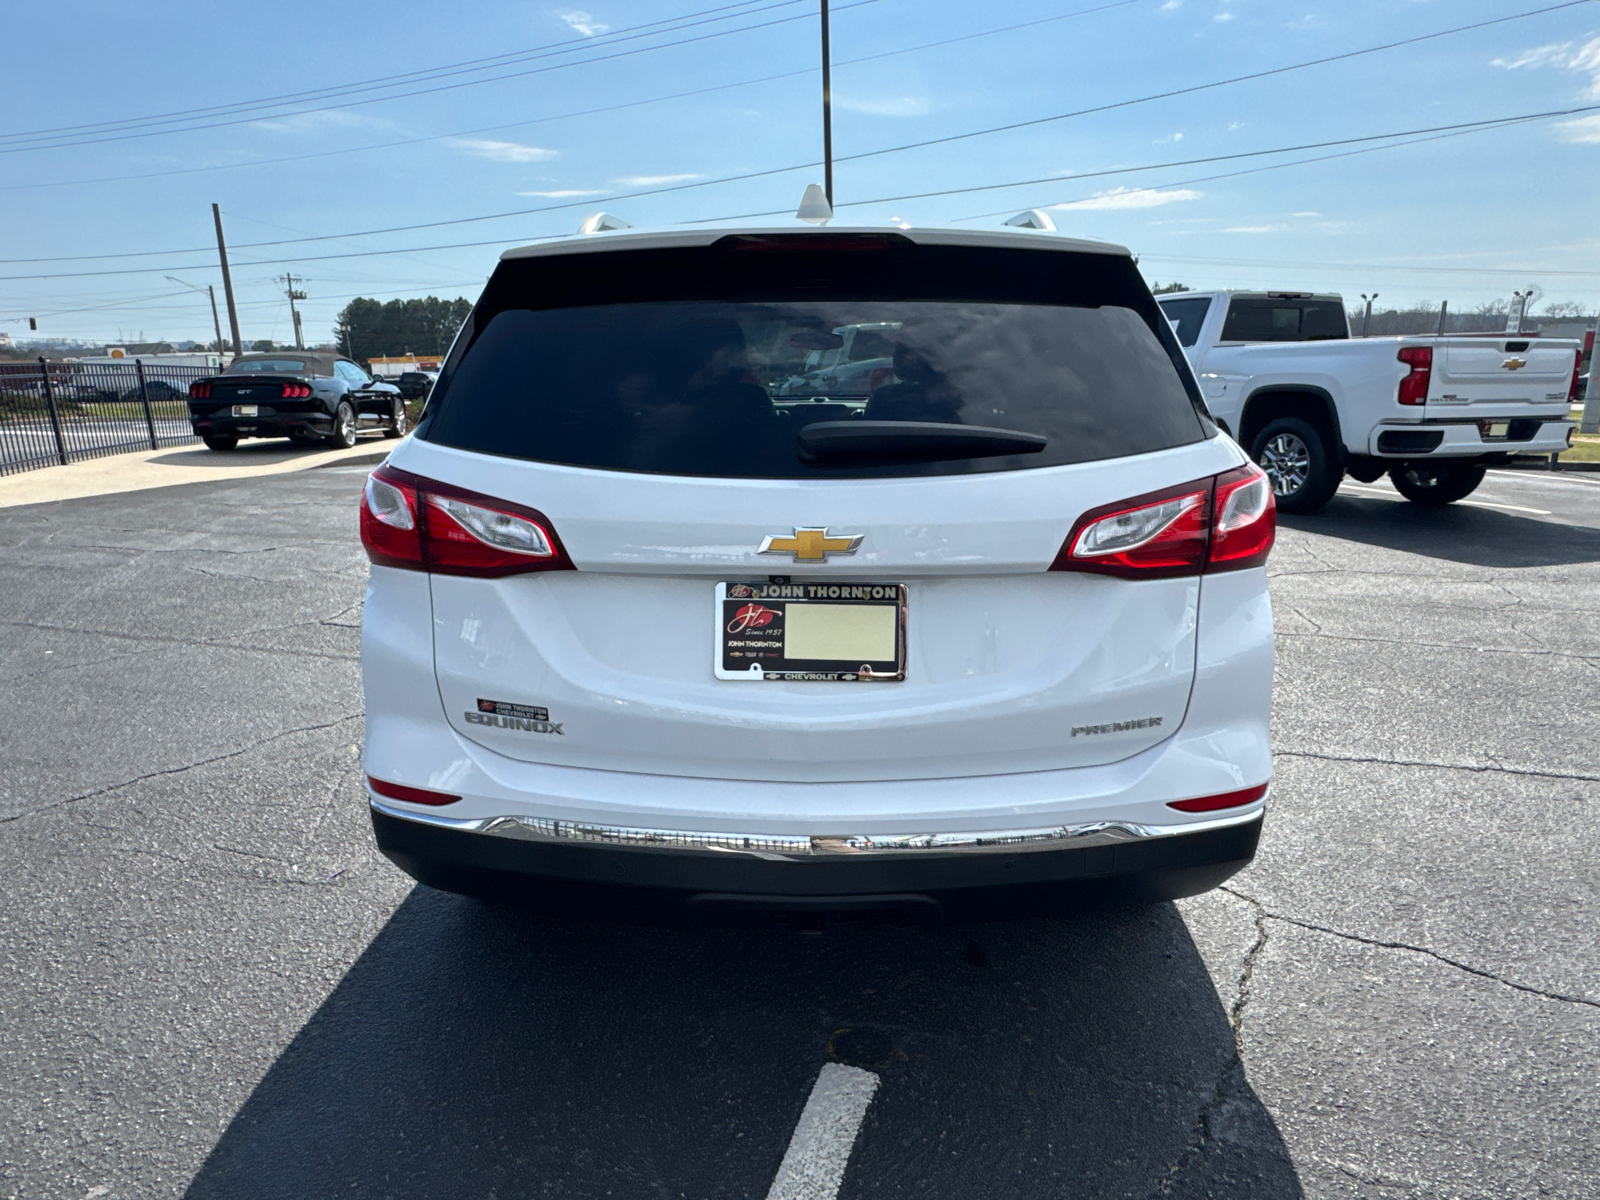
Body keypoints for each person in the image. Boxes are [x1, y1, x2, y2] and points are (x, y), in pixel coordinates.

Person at [864, 342, 964, 424]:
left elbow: (868, 432)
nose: (896, 359)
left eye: (901, 354)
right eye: (898, 354)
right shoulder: (956, 400)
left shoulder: (883, 399)